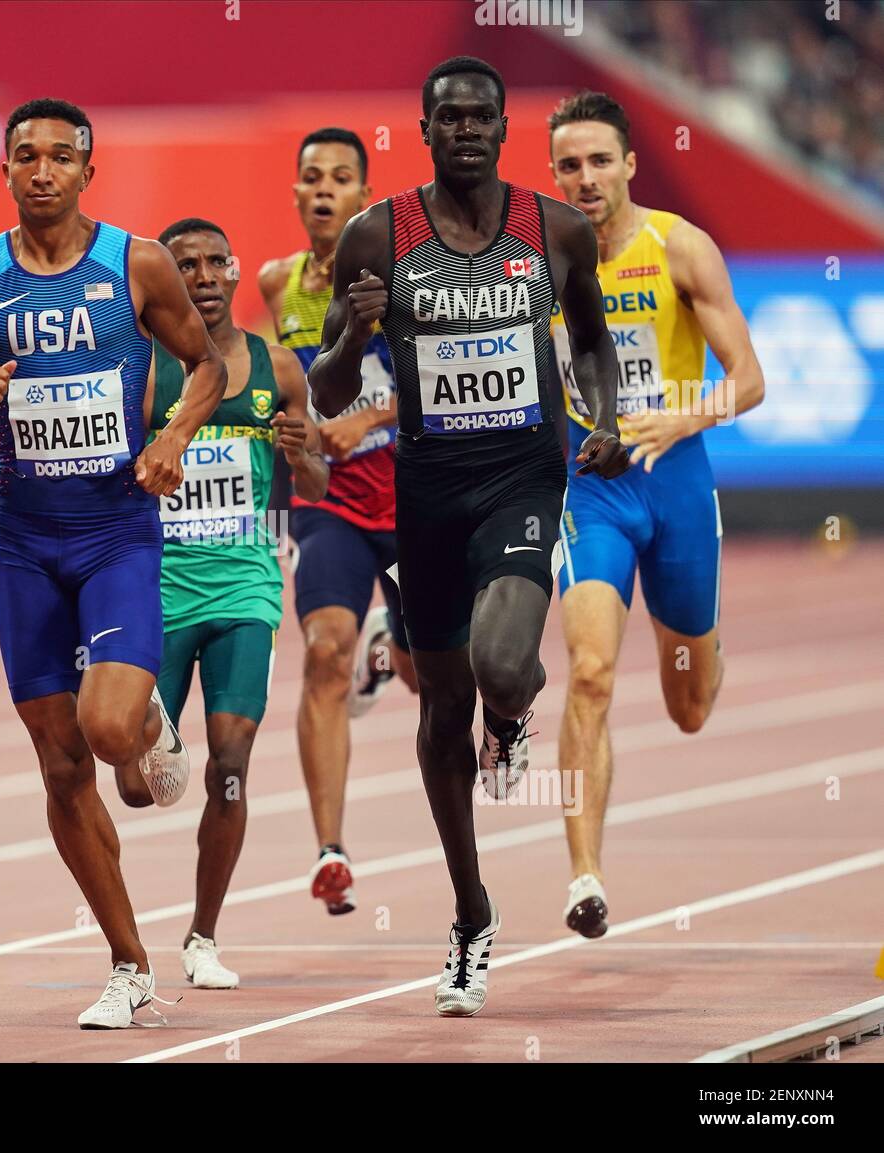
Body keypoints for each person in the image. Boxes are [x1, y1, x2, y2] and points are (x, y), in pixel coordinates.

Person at [308, 57, 630, 1016]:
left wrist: (603, 417)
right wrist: (350, 339)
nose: (465, 130)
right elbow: (326, 393)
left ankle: (516, 709)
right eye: (447, 117)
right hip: (430, 492)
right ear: (422, 129)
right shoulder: (377, 236)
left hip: (526, 476)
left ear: (501, 128)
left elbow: (593, 339)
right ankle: (472, 914)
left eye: (481, 116)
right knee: (441, 711)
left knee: (500, 659)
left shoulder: (555, 228)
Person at [0, 99, 227, 1029]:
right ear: (6, 170)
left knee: (110, 729)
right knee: (58, 764)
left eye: (60, 157)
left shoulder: (137, 264)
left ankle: (147, 714)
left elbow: (207, 366)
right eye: (24, 157)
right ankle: (129, 962)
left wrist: (170, 435)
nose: (41, 170)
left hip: (116, 530)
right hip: (25, 544)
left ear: (91, 170)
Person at [547, 91, 765, 938]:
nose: (586, 177)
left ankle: (706, 650)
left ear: (631, 163)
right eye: (569, 164)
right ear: (554, 174)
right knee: (591, 670)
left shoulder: (681, 247)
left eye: (600, 160)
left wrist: (687, 415)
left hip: (675, 486)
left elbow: (750, 377)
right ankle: (584, 874)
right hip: (591, 489)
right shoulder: (534, 260)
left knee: (689, 706)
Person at [150, 218, 329, 988]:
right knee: (135, 781)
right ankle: (158, 738)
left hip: (246, 584)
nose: (203, 276)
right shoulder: (144, 369)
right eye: (184, 265)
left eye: (214, 261)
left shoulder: (276, 365)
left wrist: (301, 453)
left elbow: (318, 483)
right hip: (154, 588)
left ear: (233, 269)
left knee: (231, 764)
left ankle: (202, 936)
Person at [257, 127, 416, 917]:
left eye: (341, 178)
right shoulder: (277, 282)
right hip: (325, 499)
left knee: (433, 677)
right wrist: (298, 428)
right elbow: (289, 387)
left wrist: (373, 416)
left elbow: (441, 382)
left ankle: (394, 650)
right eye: (311, 176)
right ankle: (331, 849)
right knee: (323, 653)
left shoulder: (402, 274)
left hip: (415, 498)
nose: (324, 189)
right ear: (295, 194)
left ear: (365, 195)